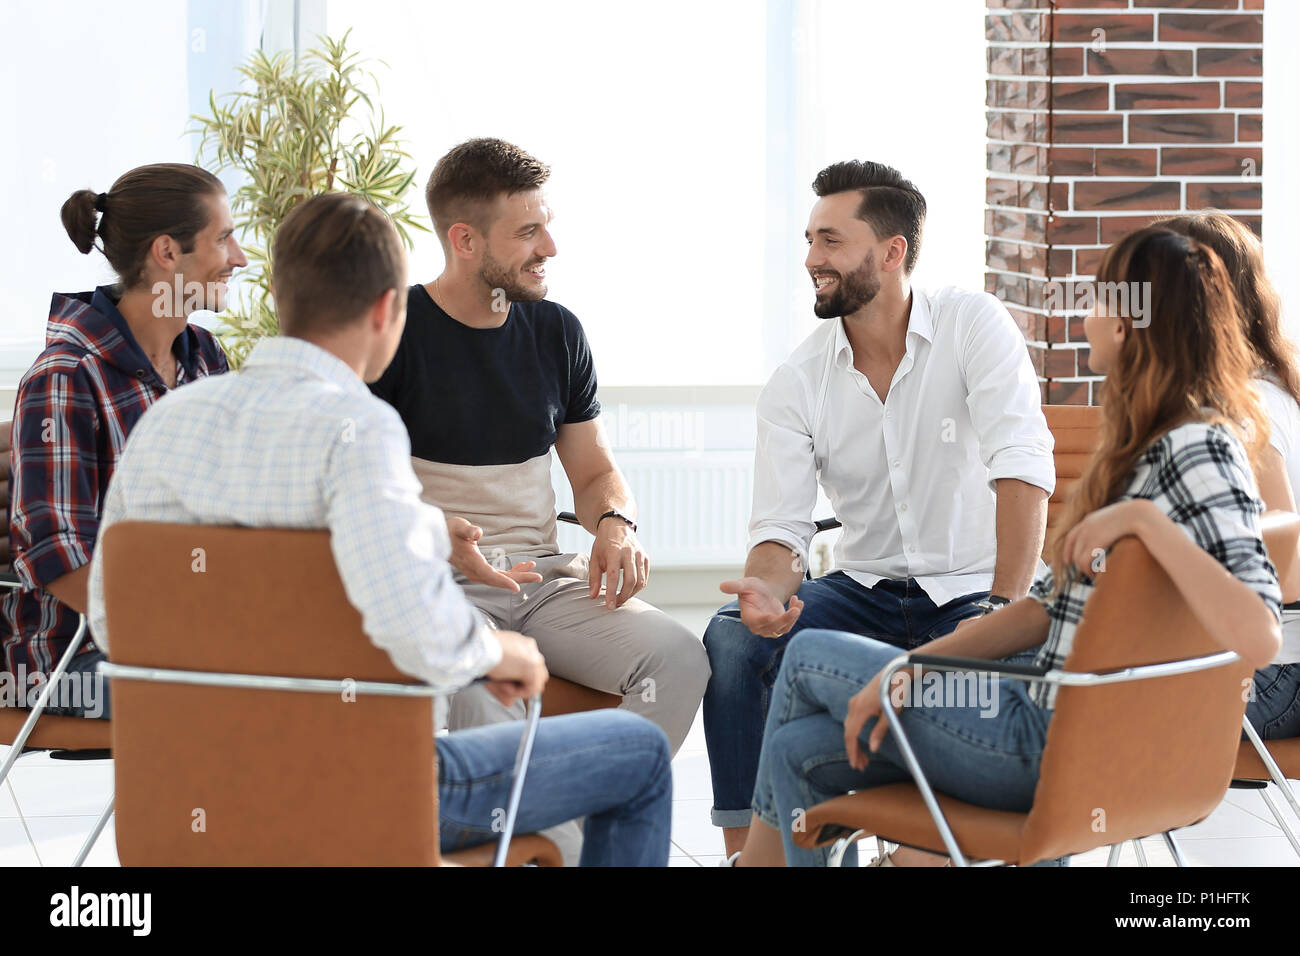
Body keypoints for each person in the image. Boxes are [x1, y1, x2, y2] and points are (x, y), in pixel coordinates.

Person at [86, 192, 672, 866]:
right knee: (638, 753)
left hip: (186, 792)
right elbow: (409, 623)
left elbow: (111, 616)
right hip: (358, 791)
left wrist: (421, 527)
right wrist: (497, 651)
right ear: (387, 311)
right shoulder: (357, 432)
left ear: (280, 296)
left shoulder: (166, 424)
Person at [732, 225, 1283, 867]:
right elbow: (1039, 613)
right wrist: (919, 665)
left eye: (1102, 299)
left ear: (1136, 322)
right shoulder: (1147, 453)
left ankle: (754, 865)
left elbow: (1261, 633)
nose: (1089, 314)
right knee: (801, 747)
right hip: (1040, 713)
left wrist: (1144, 524)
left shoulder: (1197, 449)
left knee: (809, 655)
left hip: (1046, 740)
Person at [703, 160, 1055, 860]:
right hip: (863, 593)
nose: (811, 259)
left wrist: (1004, 604)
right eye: (809, 240)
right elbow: (781, 529)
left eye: (831, 241)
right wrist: (767, 593)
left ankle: (913, 837)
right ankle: (750, 848)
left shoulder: (972, 326)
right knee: (732, 641)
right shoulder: (797, 382)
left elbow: (1021, 464)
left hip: (972, 588)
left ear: (891, 252)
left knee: (1003, 660)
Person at [368, 138, 708, 753]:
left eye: (546, 228)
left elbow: (595, 469)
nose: (549, 249)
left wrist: (614, 524)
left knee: (681, 658)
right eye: (528, 233)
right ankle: (499, 840)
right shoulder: (394, 334)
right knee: (483, 682)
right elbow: (361, 491)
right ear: (465, 240)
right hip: (442, 585)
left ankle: (591, 818)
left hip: (543, 583)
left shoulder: (557, 331)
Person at [3, 163, 242, 720]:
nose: (240, 257)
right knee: (256, 694)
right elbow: (57, 554)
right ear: (167, 253)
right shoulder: (64, 377)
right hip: (71, 660)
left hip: (196, 641)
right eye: (224, 238)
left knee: (330, 668)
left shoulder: (205, 360)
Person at [1162, 211, 1300, 742]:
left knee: (1057, 703)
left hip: (1268, 677)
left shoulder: (1243, 409)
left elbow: (1283, 566)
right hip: (1265, 666)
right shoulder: (1262, 387)